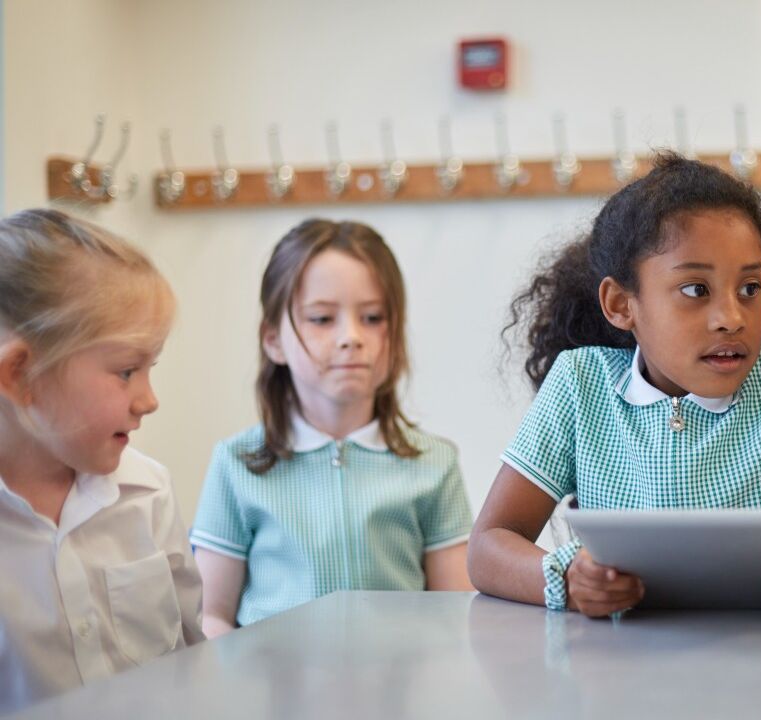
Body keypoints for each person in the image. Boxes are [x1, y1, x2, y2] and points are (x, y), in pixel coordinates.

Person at [467, 154, 761, 622]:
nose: (732, 318)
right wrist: (565, 578)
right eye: (696, 290)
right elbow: (488, 546)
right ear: (621, 304)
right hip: (616, 671)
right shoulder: (580, 384)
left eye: (750, 287)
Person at [192, 219, 473, 638]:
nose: (351, 337)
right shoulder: (235, 464)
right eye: (322, 318)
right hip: (276, 697)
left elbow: (457, 613)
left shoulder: (434, 464)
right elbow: (211, 616)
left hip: (395, 696)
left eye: (373, 317)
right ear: (273, 340)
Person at [0, 209, 202, 711]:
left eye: (149, 369)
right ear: (20, 374)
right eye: (127, 371)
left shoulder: (149, 493)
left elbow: (195, 662)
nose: (149, 399)